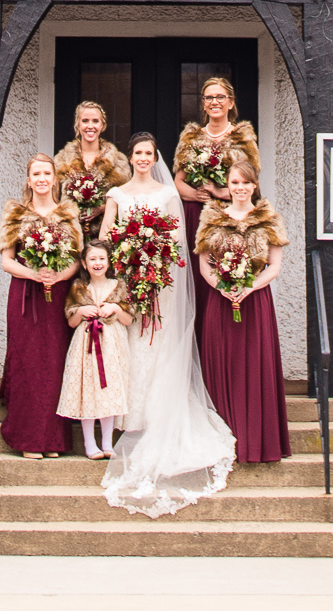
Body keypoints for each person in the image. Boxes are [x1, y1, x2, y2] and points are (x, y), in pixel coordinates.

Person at [97, 129, 235, 515]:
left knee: (156, 342)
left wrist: (154, 261)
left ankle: (156, 414)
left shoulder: (167, 194)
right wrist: (128, 255)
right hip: (128, 279)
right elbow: (106, 237)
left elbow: (176, 241)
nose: (143, 158)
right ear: (130, 157)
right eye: (138, 153)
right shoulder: (117, 195)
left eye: (149, 153)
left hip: (159, 282)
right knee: (130, 343)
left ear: (154, 157)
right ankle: (128, 414)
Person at [195, 155, 292, 462]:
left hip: (255, 303)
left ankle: (256, 442)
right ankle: (223, 439)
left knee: (253, 367)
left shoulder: (268, 219)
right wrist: (221, 287)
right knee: (223, 364)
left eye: (245, 182)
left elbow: (274, 266)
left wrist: (250, 287)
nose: (240, 188)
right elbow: (204, 265)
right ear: (227, 185)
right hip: (221, 302)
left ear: (254, 185)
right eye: (234, 182)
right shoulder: (212, 218)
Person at [0, 153, 82, 457]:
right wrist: (33, 274)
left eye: (47, 173)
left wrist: (59, 275)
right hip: (26, 295)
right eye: (37, 174)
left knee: (54, 363)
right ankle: (28, 439)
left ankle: (52, 440)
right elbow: (7, 261)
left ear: (55, 179)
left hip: (57, 296)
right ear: (29, 180)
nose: (42, 179)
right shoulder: (16, 214)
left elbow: (76, 259)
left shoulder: (67, 214)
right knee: (29, 363)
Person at [173, 74, 262, 330]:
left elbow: (253, 185)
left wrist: (220, 192)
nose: (215, 102)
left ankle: (224, 335)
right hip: (196, 215)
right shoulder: (191, 138)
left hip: (228, 216)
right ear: (203, 103)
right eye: (209, 97)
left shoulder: (243, 138)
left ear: (231, 102)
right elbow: (178, 181)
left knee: (225, 270)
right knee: (198, 276)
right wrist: (195, 195)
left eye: (220, 97)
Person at [57, 241, 132, 459]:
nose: (97, 263)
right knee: (87, 391)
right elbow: (71, 322)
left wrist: (115, 308)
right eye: (92, 259)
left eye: (101, 258)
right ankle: (90, 443)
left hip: (112, 345)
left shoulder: (118, 286)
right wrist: (81, 311)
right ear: (84, 263)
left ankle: (107, 443)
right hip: (86, 345)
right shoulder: (79, 288)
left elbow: (128, 319)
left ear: (109, 261)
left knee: (109, 391)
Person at [52, 99, 130, 245]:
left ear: (102, 125)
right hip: (70, 237)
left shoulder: (119, 162)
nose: (90, 126)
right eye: (85, 121)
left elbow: (128, 199)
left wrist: (103, 208)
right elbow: (53, 200)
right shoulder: (60, 161)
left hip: (105, 238)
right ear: (77, 124)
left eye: (95, 121)